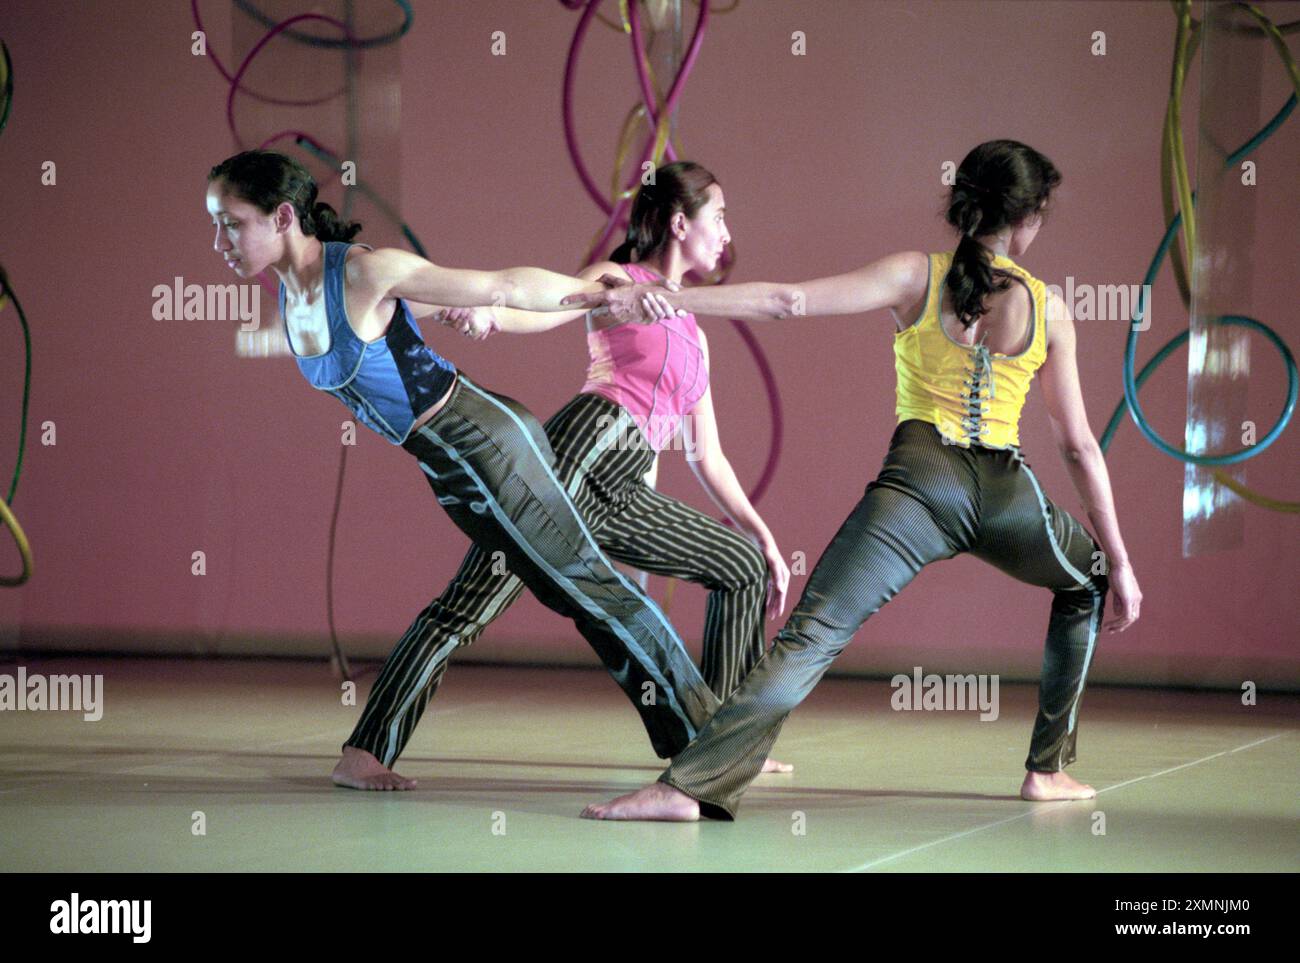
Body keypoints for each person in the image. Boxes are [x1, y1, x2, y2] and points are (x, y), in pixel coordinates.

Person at [571, 140, 1143, 820]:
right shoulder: (1049, 308)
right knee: (1087, 577)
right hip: (1004, 488)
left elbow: (788, 301)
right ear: (1027, 220)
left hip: (918, 485)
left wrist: (670, 296)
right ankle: (1047, 770)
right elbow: (1078, 446)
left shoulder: (915, 275)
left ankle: (684, 787)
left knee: (812, 634)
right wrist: (1122, 561)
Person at [205, 149, 725, 791]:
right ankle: (366, 752)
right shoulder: (294, 298)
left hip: (488, 443)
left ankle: (710, 742)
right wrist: (440, 309)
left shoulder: (366, 273)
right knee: (473, 606)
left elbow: (502, 285)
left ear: (282, 216)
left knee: (589, 585)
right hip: (449, 468)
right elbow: (407, 328)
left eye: (230, 223)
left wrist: (598, 292)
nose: (220, 240)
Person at [338, 162, 795, 785]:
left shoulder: (693, 330)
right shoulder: (617, 281)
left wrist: (763, 535)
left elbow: (705, 453)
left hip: (627, 482)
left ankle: (725, 744)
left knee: (739, 566)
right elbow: (548, 309)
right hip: (581, 453)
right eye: (718, 216)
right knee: (468, 606)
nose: (726, 231)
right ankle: (365, 752)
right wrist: (494, 316)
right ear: (681, 222)